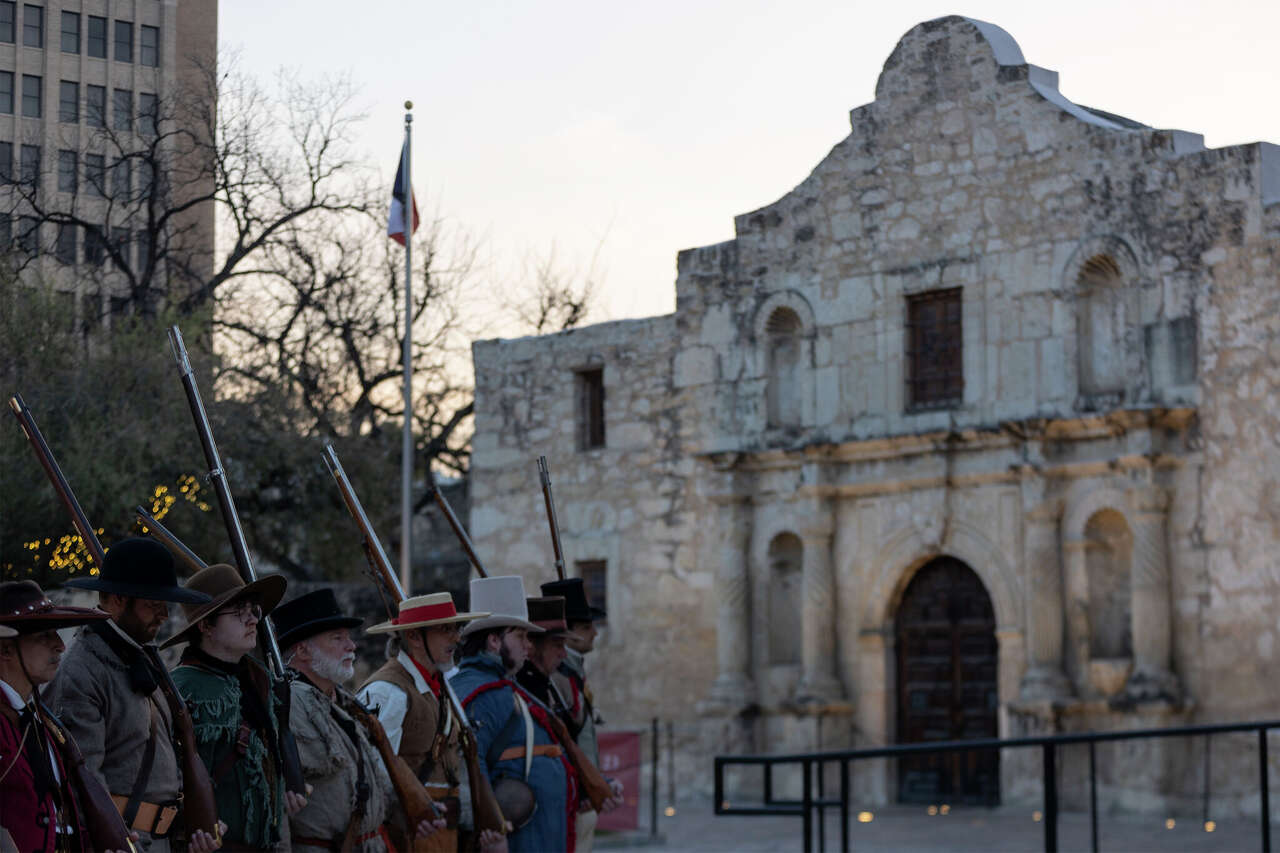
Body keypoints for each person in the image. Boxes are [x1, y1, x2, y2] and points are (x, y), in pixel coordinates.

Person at [48, 537, 221, 853]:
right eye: (152, 604)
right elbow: (85, 780)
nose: (164, 615)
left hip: (163, 839)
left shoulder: (139, 655)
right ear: (117, 600)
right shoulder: (82, 670)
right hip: (125, 841)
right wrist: (117, 840)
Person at [271, 588, 447, 852]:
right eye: (337, 638)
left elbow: (366, 776)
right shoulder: (289, 707)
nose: (351, 646)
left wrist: (409, 809)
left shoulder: (345, 704)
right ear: (303, 651)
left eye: (348, 637)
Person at [163, 563, 304, 850]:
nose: (252, 620)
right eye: (239, 611)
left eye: (253, 610)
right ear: (205, 626)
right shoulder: (182, 688)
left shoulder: (258, 679)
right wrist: (188, 822)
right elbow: (169, 777)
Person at [359, 591, 507, 852]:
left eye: (456, 629)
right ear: (414, 637)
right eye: (445, 630)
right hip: (406, 834)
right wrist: (405, 812)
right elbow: (371, 770)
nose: (457, 638)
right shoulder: (388, 691)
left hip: (439, 833)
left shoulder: (439, 686)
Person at [449, 576, 582, 853]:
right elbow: (470, 765)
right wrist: (493, 830)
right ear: (494, 641)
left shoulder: (499, 687)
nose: (528, 645)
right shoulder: (485, 693)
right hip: (516, 841)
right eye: (520, 636)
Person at [0, 580, 109, 852]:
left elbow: (60, 820)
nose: (60, 645)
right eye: (44, 635)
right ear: (5, 649)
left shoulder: (42, 723)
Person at [540, 578, 621, 852]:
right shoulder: (558, 677)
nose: (595, 634)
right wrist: (584, 787)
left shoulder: (571, 673)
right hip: (575, 796)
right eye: (586, 628)